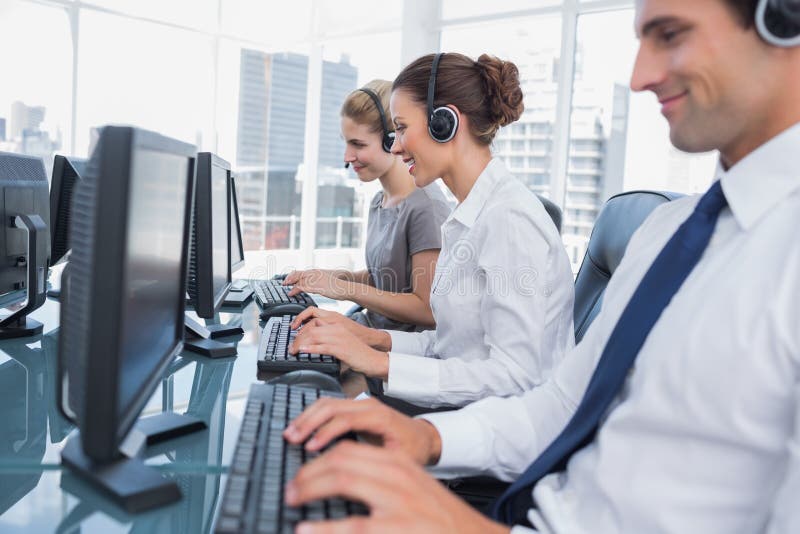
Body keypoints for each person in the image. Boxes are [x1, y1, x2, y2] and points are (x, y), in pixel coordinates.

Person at [281, 0, 800, 532]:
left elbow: (517, 378)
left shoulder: (512, 220)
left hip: (508, 492)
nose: (640, 76)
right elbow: (557, 400)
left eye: (671, 34)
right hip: (527, 491)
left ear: (781, 18)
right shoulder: (668, 233)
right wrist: (426, 435)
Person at [289, 52, 576, 409]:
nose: (395, 146)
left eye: (403, 128)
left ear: (446, 122)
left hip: (502, 432)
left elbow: (515, 378)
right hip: (468, 414)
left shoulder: (510, 220)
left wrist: (378, 362)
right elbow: (446, 345)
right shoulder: (467, 216)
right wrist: (367, 337)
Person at [284, 80, 451, 333]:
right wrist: (325, 277)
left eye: (358, 144)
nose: (347, 157)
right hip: (368, 331)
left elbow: (427, 310)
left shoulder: (426, 207)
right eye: (346, 143)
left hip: (395, 354)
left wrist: (346, 290)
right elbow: (384, 279)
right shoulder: (379, 201)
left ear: (391, 140)